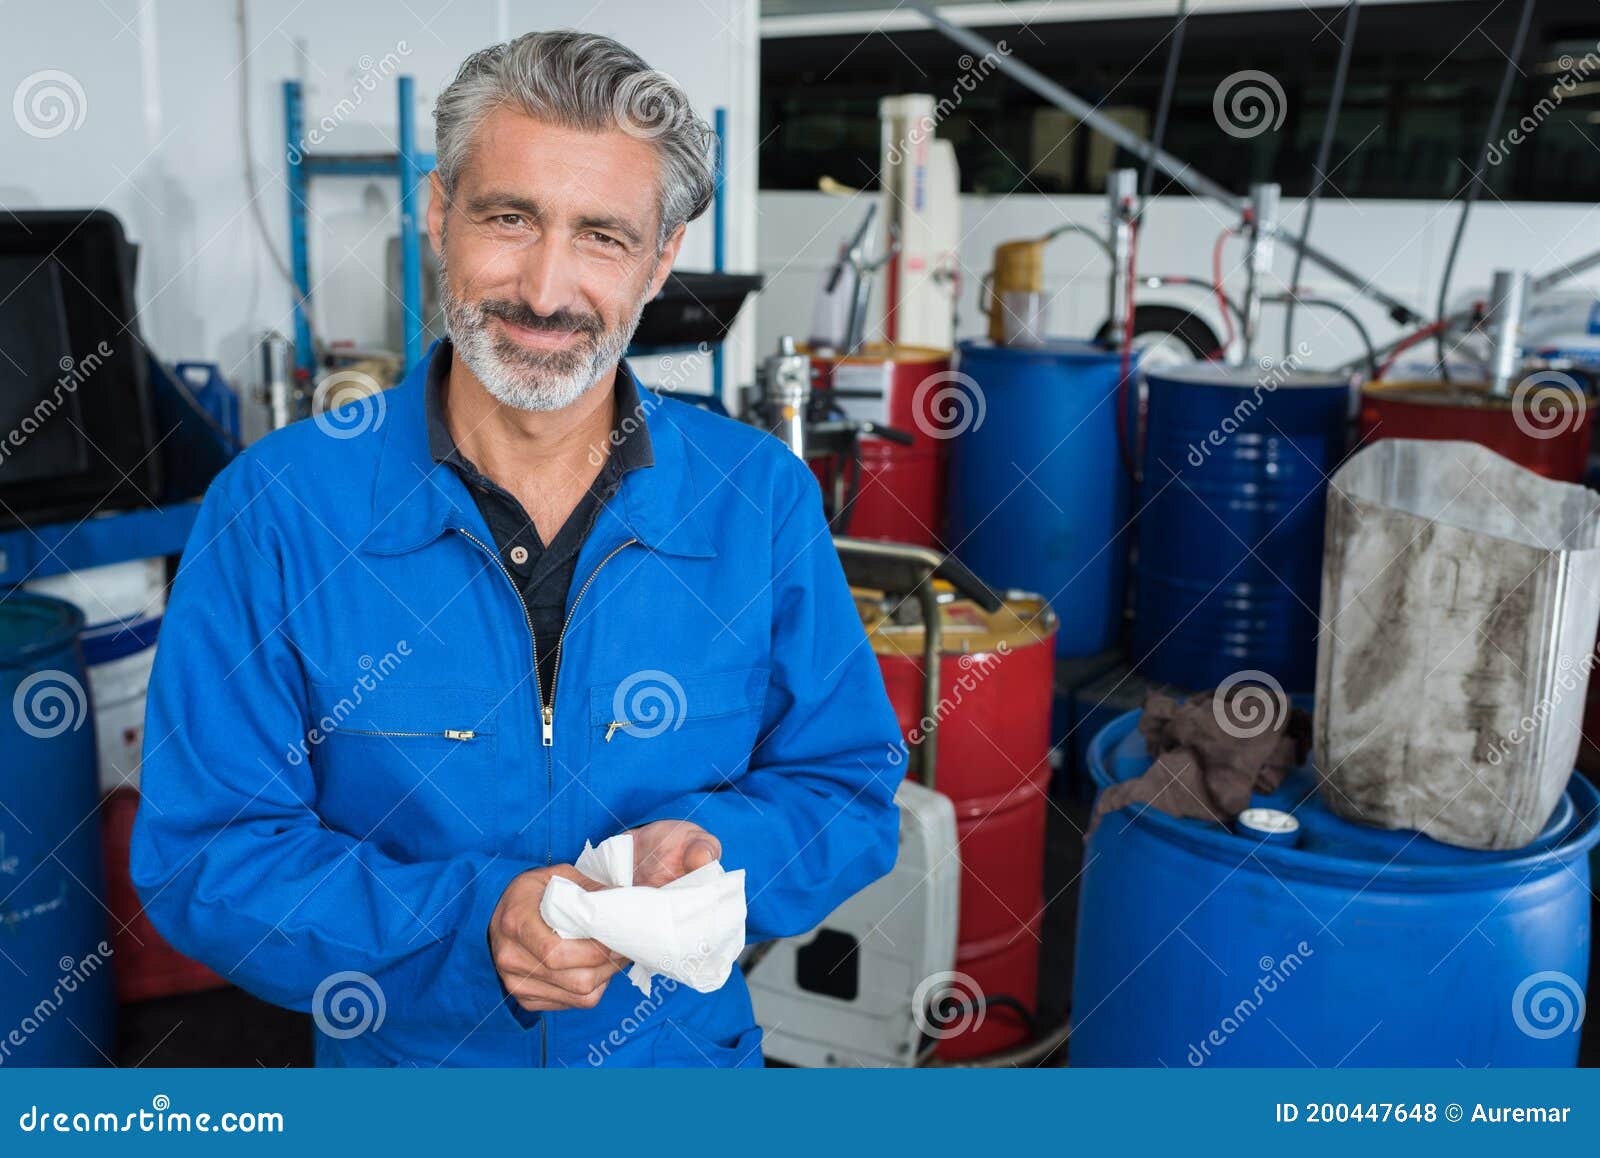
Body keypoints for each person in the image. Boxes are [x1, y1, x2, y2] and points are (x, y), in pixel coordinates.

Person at [132, 29, 902, 1068]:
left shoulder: (755, 499)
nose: (545, 290)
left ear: (662, 256)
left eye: (602, 236)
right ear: (438, 211)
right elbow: (205, 858)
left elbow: (846, 787)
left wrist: (728, 856)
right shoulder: (276, 511)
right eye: (509, 218)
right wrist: (473, 925)